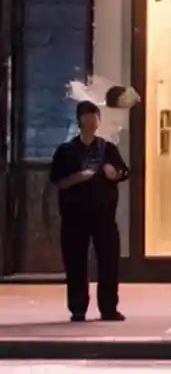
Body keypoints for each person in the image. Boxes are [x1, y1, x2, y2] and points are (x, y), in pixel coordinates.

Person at [49, 100, 129, 322]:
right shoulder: (66, 151)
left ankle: (109, 307)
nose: (92, 121)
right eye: (88, 116)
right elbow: (57, 180)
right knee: (76, 262)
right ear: (81, 120)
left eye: (95, 116)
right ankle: (77, 307)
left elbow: (124, 172)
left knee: (109, 262)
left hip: (104, 215)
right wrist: (77, 178)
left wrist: (115, 173)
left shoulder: (108, 149)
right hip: (75, 216)